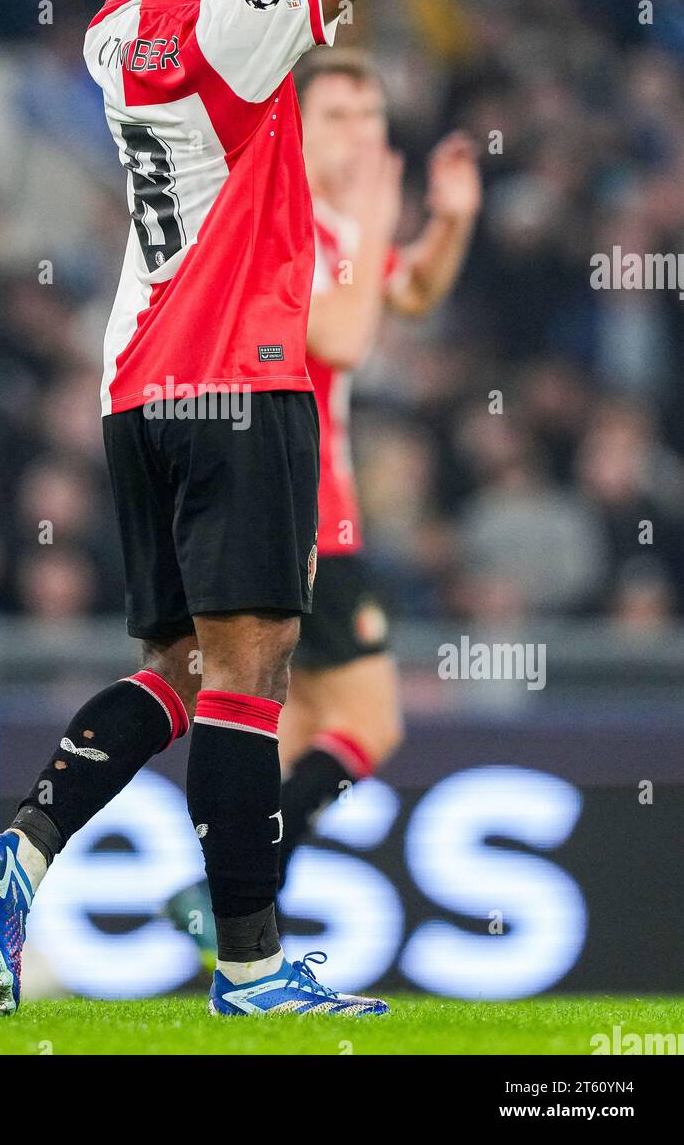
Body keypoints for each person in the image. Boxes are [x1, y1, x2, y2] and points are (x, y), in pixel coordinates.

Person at [0, 0, 406, 1016]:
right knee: (250, 678)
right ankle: (251, 970)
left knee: (179, 669)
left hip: (135, 387)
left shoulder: (119, 27)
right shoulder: (236, 27)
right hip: (241, 380)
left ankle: (24, 851)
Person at [167, 50, 482, 961]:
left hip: (289, 501)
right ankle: (229, 896)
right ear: (300, 128)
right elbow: (341, 332)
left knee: (295, 730)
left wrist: (450, 223)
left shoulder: (341, 226)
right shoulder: (290, 220)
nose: (361, 135)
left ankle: (234, 919)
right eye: (339, 115)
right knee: (371, 723)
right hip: (306, 508)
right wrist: (393, 205)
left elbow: (410, 291)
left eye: (373, 117)